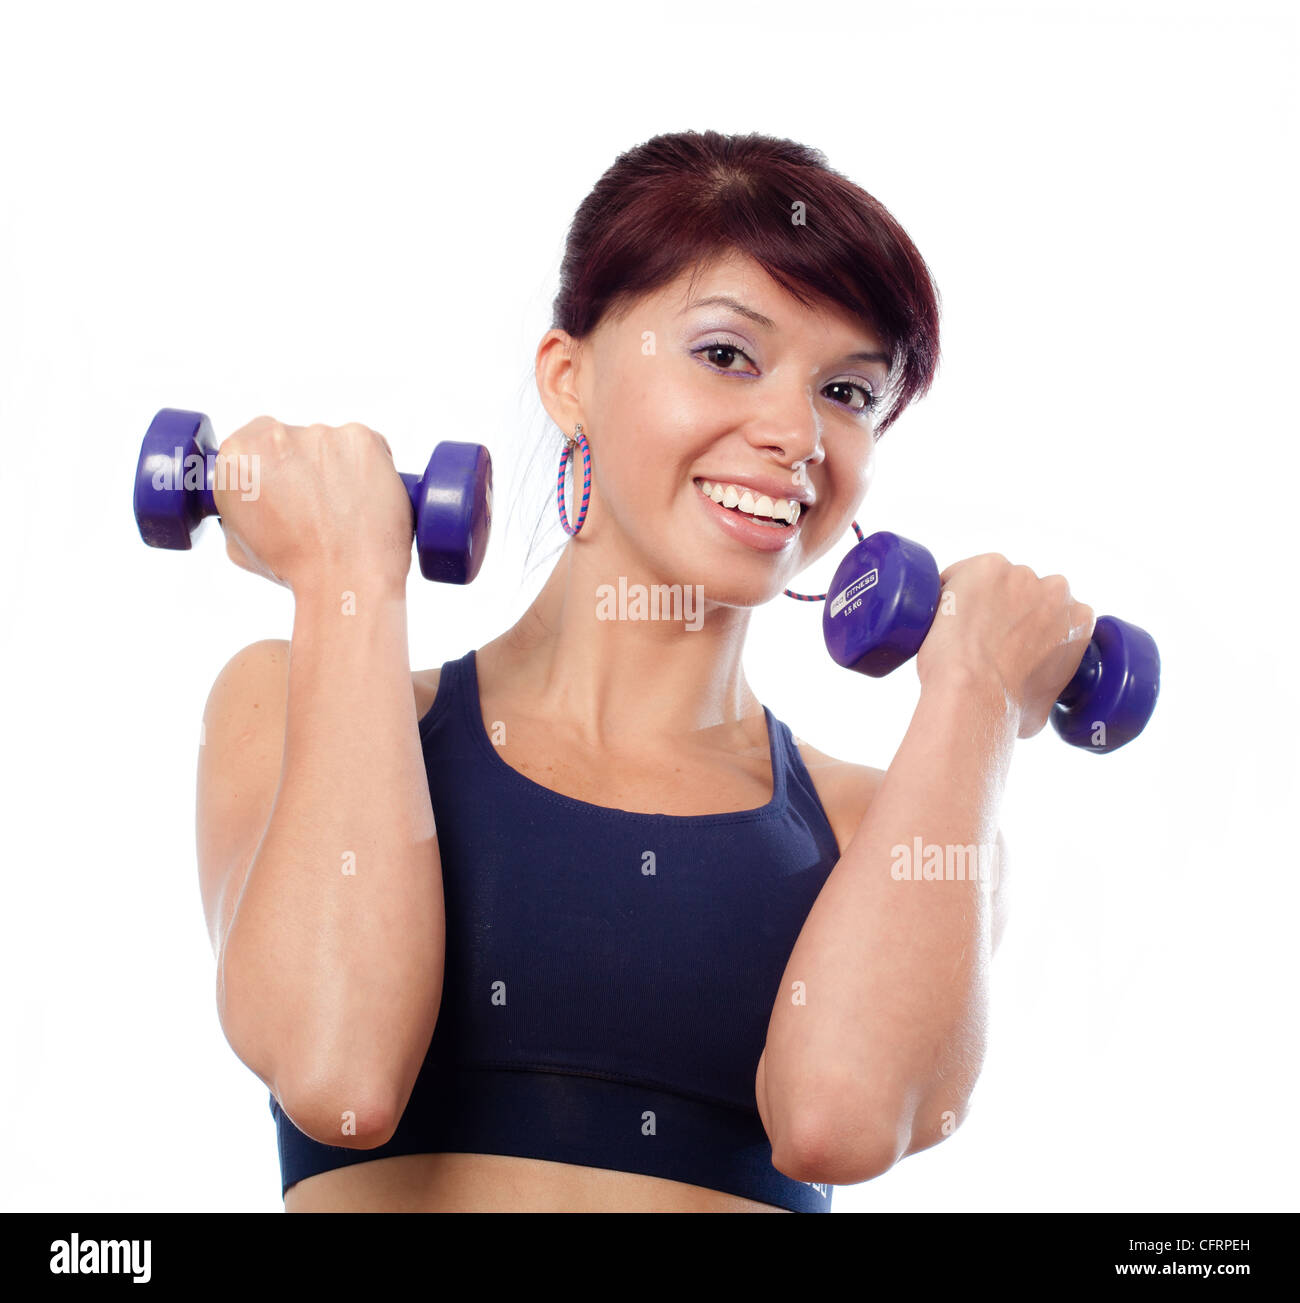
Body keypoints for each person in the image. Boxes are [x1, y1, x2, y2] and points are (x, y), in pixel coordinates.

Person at [196, 129, 1095, 1213]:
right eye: (727, 354)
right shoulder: (297, 702)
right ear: (568, 379)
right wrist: (347, 572)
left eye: (849, 393)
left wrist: (978, 694)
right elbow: (338, 1074)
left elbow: (837, 1121)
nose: (795, 433)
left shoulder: (872, 826)